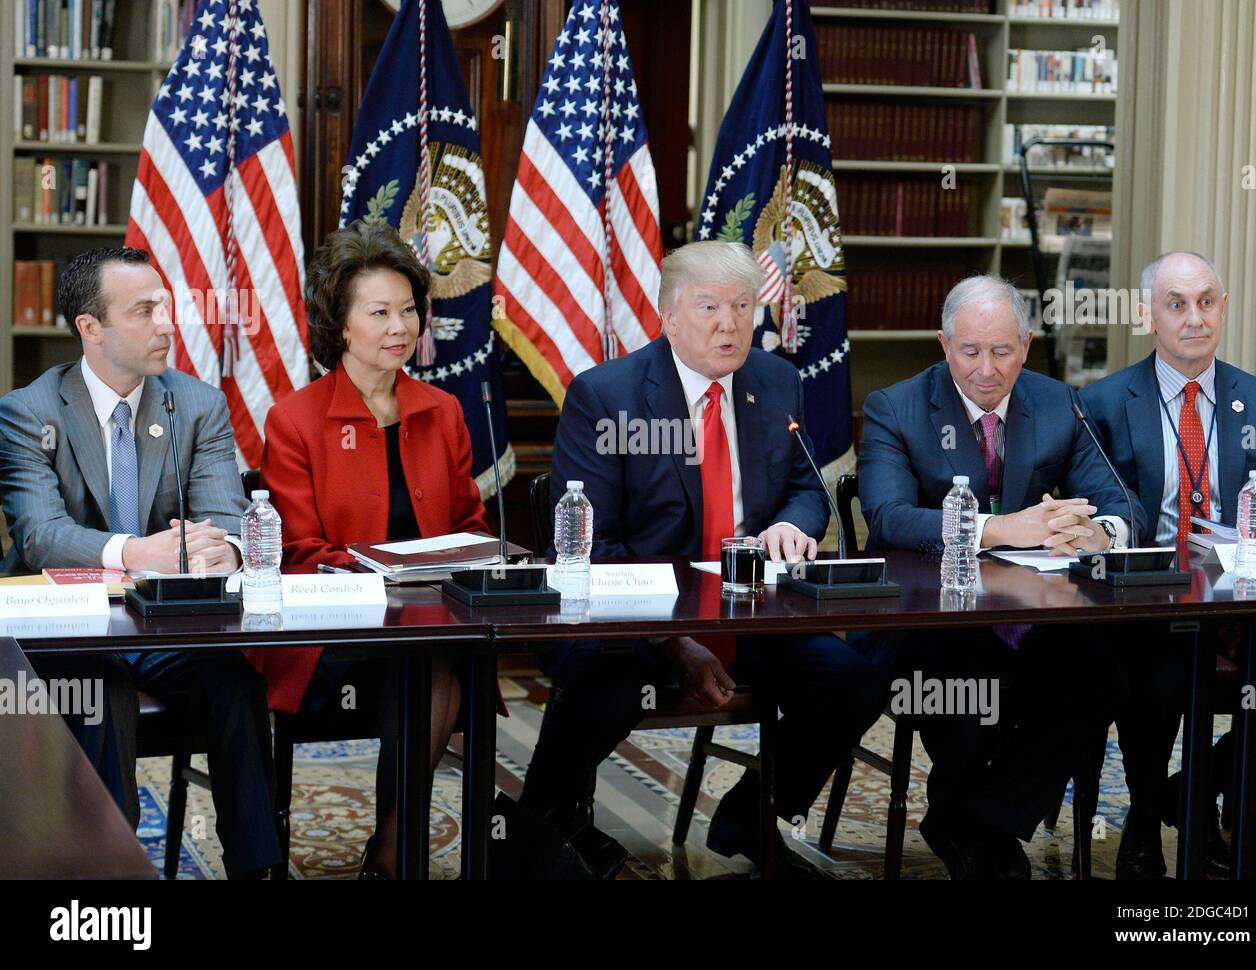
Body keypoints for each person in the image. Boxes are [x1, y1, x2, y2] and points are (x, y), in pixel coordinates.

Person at [519, 240, 881, 878]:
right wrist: (677, 641)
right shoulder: (607, 396)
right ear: (668, 317)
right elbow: (589, 551)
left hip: (748, 610)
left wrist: (794, 527)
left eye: (744, 306)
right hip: (633, 620)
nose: (730, 324)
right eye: (710, 306)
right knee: (608, 676)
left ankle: (753, 813)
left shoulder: (776, 382)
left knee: (852, 678)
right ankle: (540, 824)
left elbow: (805, 488)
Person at [0, 246, 280, 880]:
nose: (165, 323)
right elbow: (41, 535)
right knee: (103, 690)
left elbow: (230, 522)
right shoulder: (30, 412)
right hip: (64, 628)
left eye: (166, 306)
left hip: (159, 624)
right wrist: (140, 554)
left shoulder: (197, 404)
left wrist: (222, 549)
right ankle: (112, 879)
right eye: (144, 310)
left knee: (236, 686)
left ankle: (260, 871)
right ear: (91, 329)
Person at [851, 274, 1142, 879]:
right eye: (969, 351)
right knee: (962, 671)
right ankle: (977, 826)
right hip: (925, 615)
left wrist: (1100, 533)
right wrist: (1004, 528)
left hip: (1029, 610)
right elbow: (888, 517)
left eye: (1002, 351)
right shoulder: (895, 407)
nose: (986, 369)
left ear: (1027, 346)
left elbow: (1120, 502)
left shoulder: (1059, 402)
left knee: (1103, 668)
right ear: (943, 343)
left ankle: (977, 820)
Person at [247, 220, 501, 880]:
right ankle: (397, 851)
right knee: (432, 661)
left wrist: (462, 559)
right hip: (333, 631)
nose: (401, 326)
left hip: (426, 626)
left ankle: (392, 846)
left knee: (437, 657)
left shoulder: (441, 410)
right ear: (341, 325)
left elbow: (470, 523)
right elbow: (297, 551)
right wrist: (385, 575)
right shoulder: (295, 419)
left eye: (409, 309)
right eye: (380, 312)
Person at [1081, 250, 1256, 878]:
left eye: (1207, 302)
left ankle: (1186, 795)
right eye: (1177, 304)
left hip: (1242, 604)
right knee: (1158, 672)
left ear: (1224, 309)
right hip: (1147, 604)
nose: (1194, 319)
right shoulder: (1102, 403)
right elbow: (1102, 525)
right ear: (1149, 315)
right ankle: (1143, 832)